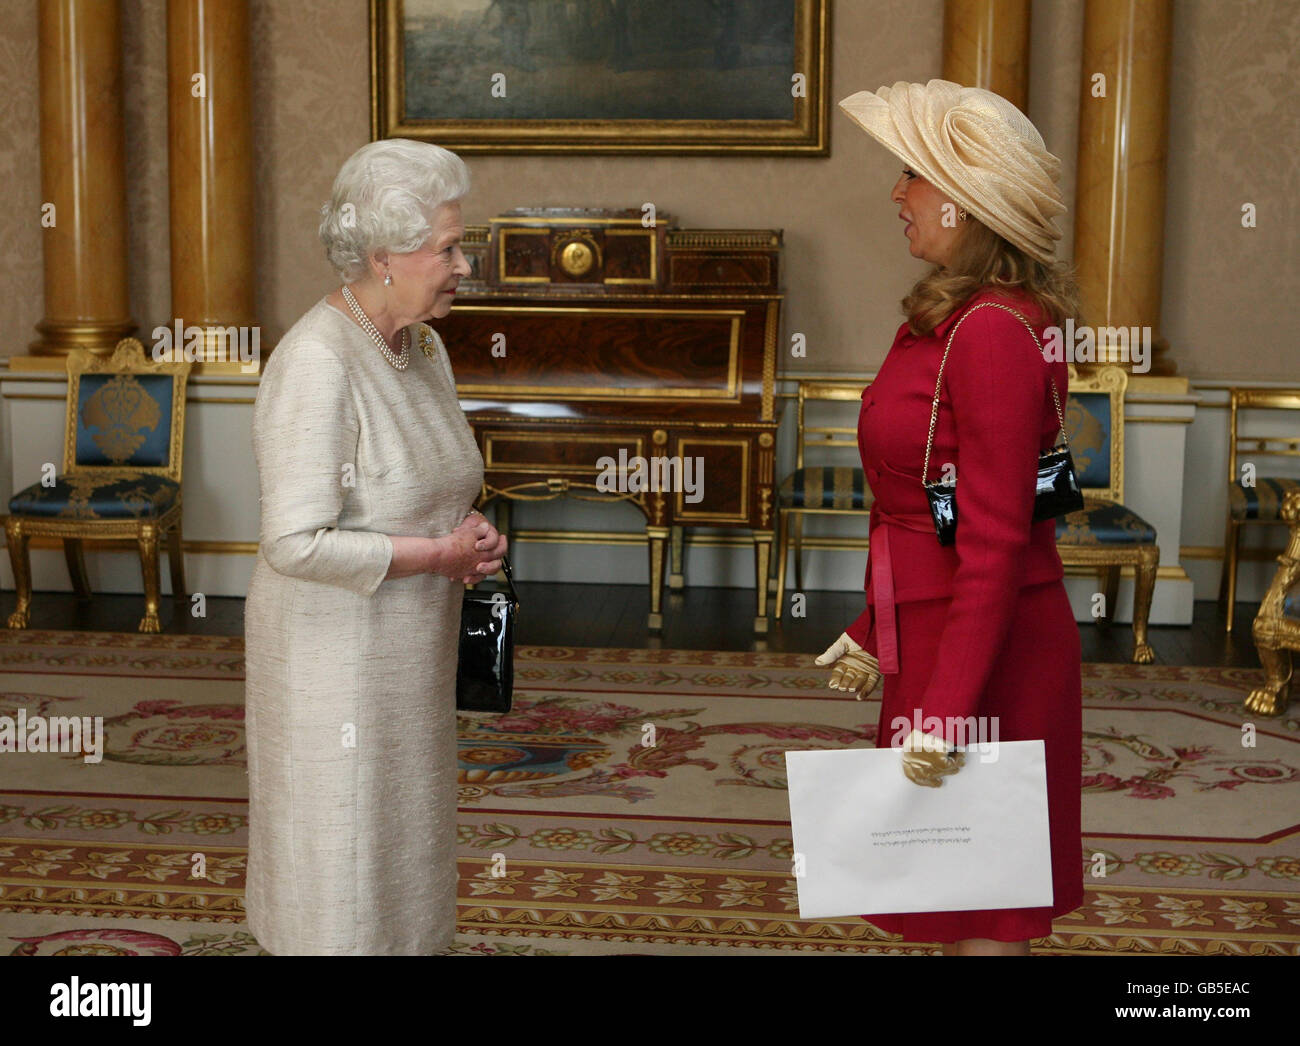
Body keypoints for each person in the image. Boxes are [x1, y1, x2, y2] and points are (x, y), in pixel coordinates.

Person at [816, 80, 1084, 955]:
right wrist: (872, 625)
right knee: (946, 889)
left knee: (984, 908)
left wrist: (949, 711)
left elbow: (1000, 538)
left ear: (967, 203)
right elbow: (925, 501)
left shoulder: (995, 333)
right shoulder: (949, 318)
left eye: (913, 175)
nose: (898, 194)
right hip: (936, 631)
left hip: (986, 648)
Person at [243, 138, 507, 954]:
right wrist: (438, 557)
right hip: (332, 657)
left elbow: (436, 478)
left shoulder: (423, 347)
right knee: (342, 845)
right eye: (449, 248)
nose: (465, 265)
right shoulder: (318, 361)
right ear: (386, 255)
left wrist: (469, 530)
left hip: (409, 647)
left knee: (402, 834)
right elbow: (293, 541)